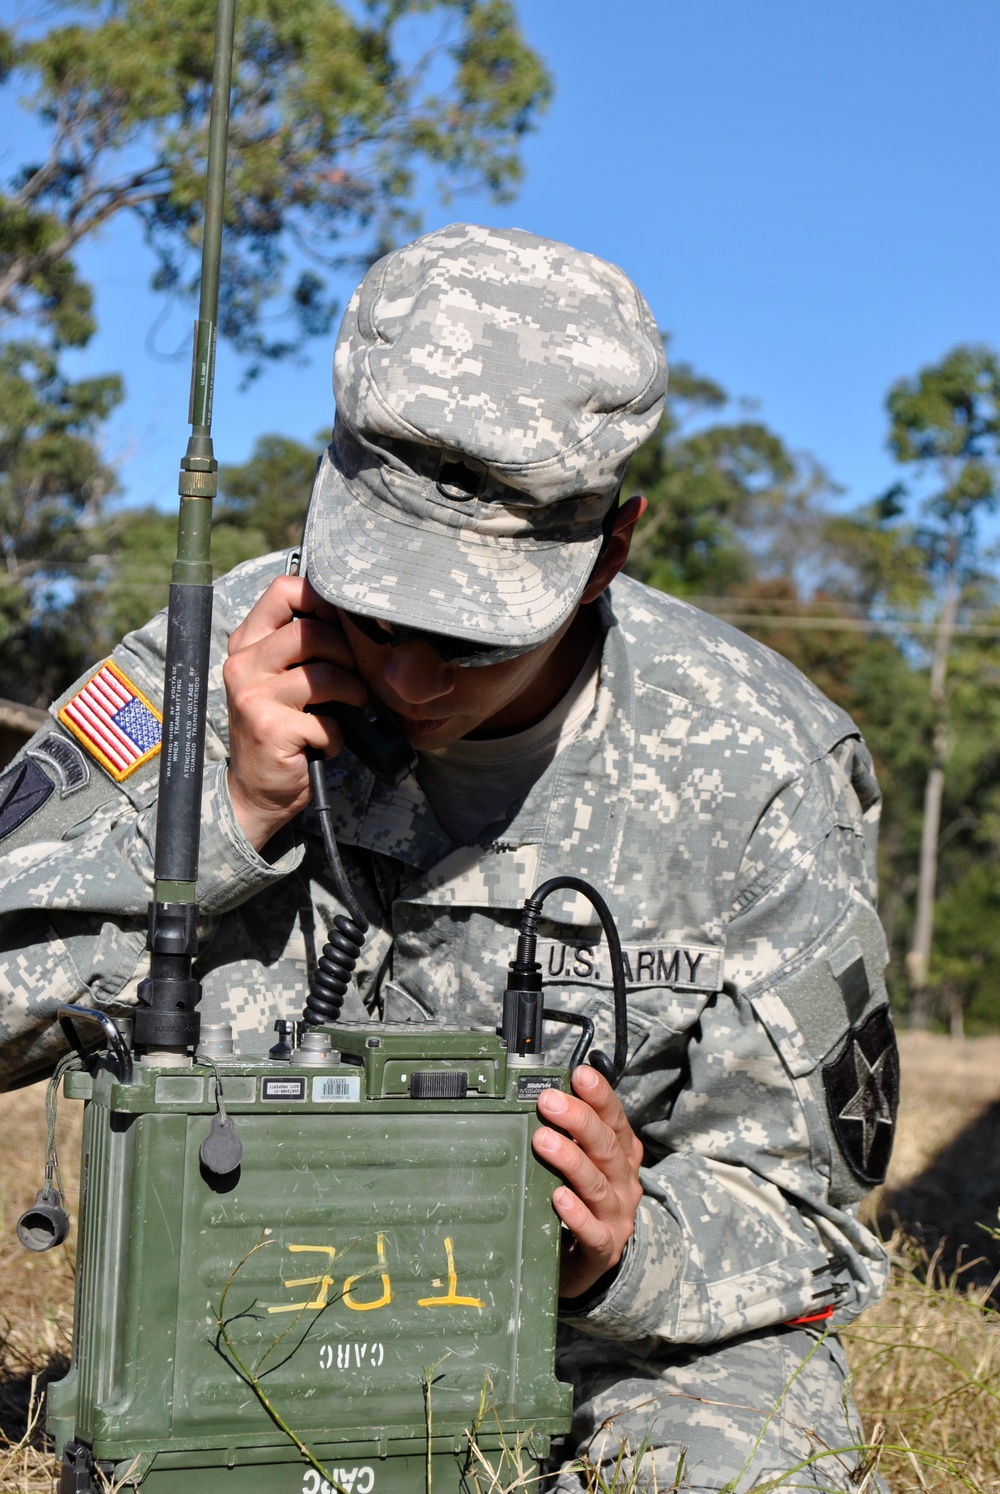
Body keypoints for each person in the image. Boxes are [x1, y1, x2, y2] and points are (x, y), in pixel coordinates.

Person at [0, 223, 896, 1490]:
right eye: (374, 612)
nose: (410, 677)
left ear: (608, 553)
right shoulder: (201, 671)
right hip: (248, 1328)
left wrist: (624, 1250)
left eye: (473, 637)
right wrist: (227, 821)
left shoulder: (761, 772)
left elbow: (808, 1215)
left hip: (612, 1348)